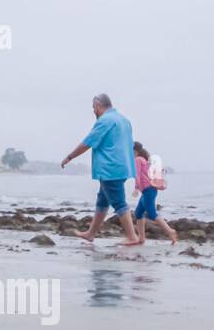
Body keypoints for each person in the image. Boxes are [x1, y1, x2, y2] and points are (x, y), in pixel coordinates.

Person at [61, 94, 140, 245]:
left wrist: (70, 157)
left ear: (98, 106)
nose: (93, 111)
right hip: (123, 167)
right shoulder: (124, 120)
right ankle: (90, 233)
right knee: (102, 200)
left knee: (119, 203)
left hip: (110, 168)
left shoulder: (105, 121)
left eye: (93, 108)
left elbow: (88, 142)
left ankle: (132, 236)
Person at [132, 141, 177, 244]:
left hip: (148, 190)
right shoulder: (144, 159)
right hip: (148, 190)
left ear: (134, 151)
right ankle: (141, 238)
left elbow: (137, 175)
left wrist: (136, 188)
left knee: (152, 214)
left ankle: (170, 231)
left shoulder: (138, 159)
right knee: (138, 213)